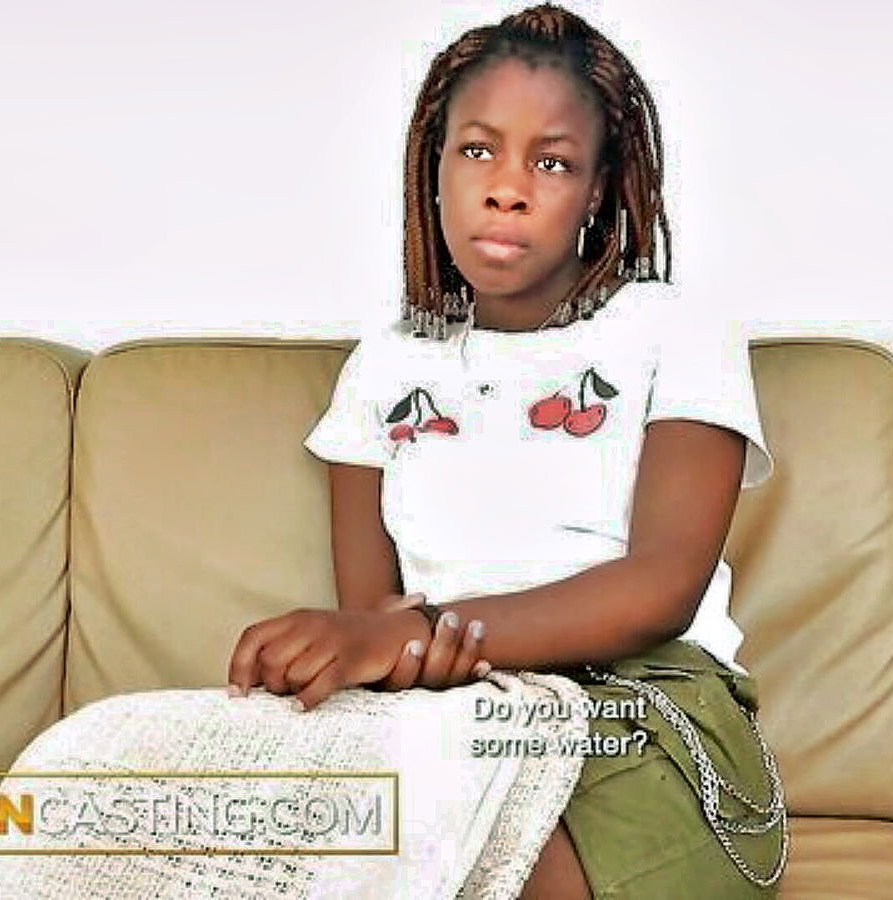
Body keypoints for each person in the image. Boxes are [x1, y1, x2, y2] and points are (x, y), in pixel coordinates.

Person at [226, 5, 789, 897]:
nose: (507, 187)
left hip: (635, 700)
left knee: (487, 845)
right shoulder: (385, 366)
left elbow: (662, 588)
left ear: (598, 190)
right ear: (434, 167)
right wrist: (404, 651)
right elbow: (372, 614)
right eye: (478, 151)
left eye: (552, 161)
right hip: (446, 707)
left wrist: (415, 634)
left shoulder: (670, 327)